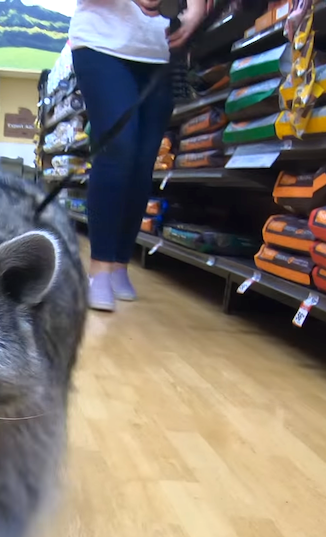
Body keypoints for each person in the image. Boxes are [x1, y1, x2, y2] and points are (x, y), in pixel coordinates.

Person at [68, 0, 211, 311]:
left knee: (143, 160)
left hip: (160, 53)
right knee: (118, 148)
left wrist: (197, 9)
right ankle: (99, 270)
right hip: (102, 45)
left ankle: (120, 263)